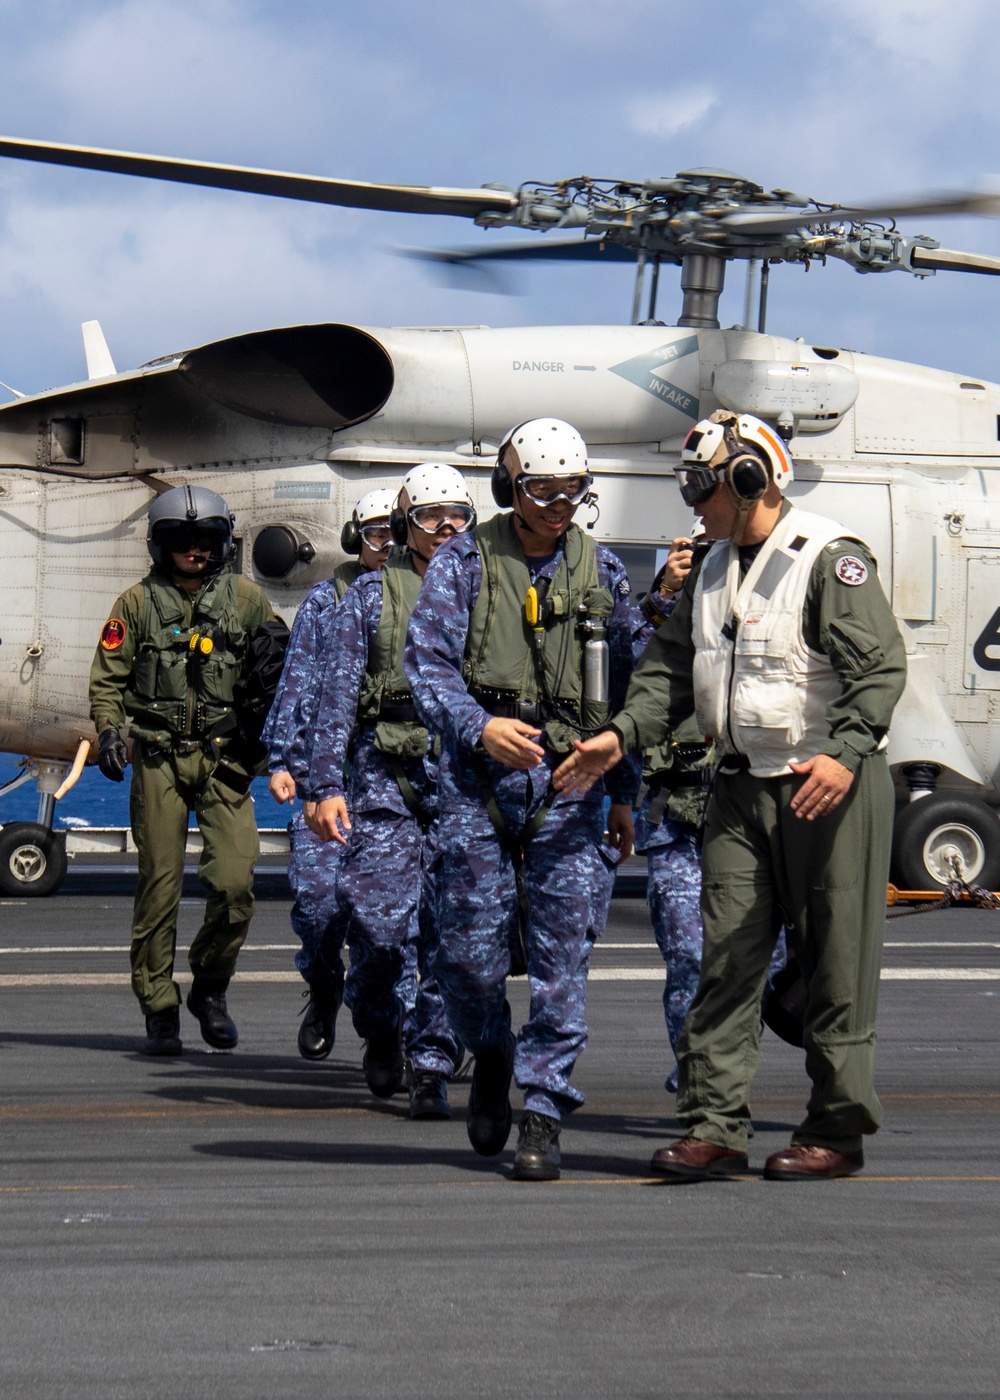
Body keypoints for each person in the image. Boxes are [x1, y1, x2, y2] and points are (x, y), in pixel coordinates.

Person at [554, 410, 906, 1181]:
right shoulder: (709, 572)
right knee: (728, 960)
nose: (693, 501)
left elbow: (879, 672)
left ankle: (836, 1131)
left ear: (750, 480)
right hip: (742, 789)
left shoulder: (828, 560)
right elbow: (665, 675)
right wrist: (619, 736)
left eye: (701, 484)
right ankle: (715, 1123)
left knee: (835, 963)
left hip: (828, 789)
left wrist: (845, 756)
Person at [404, 418, 637, 1181]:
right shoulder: (465, 564)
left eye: (572, 490)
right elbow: (426, 665)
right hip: (479, 789)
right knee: (467, 960)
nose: (557, 504)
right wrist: (479, 727)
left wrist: (625, 792)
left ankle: (542, 1109)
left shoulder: (602, 571)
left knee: (561, 962)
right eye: (541, 489)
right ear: (510, 487)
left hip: (573, 793)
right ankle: (493, 1054)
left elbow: (633, 686)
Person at [89, 485, 279, 1056]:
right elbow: (107, 682)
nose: (195, 551)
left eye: (206, 541)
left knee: (236, 883)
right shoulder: (136, 605)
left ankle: (210, 988)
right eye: (182, 541)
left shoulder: (247, 602)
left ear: (223, 543)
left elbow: (272, 677)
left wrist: (263, 746)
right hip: (157, 759)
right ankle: (159, 1007)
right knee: (160, 887)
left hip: (225, 760)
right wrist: (107, 731)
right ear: (160, 546)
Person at [308, 465, 468, 1118]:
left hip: (462, 788)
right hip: (383, 786)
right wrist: (324, 786)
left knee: (451, 936)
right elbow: (337, 696)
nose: (447, 527)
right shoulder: (369, 600)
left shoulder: (491, 596)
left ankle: (430, 1058)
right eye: (431, 516)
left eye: (458, 514)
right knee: (377, 930)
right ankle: (377, 1022)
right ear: (406, 527)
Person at [631, 543, 787, 1095]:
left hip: (746, 809)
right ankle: (698, 1074)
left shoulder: (767, 602)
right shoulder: (662, 611)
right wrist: (663, 595)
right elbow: (622, 674)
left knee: (766, 963)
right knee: (689, 956)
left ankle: (724, 1057)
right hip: (672, 815)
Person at [263, 487, 401, 1061]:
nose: (387, 545)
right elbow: (297, 681)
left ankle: (390, 1031)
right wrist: (280, 758)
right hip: (329, 780)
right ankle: (323, 989)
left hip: (398, 785)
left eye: (396, 531)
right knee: (319, 907)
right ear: (355, 539)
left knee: (394, 926)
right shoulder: (328, 601)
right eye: (375, 534)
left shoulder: (439, 598)